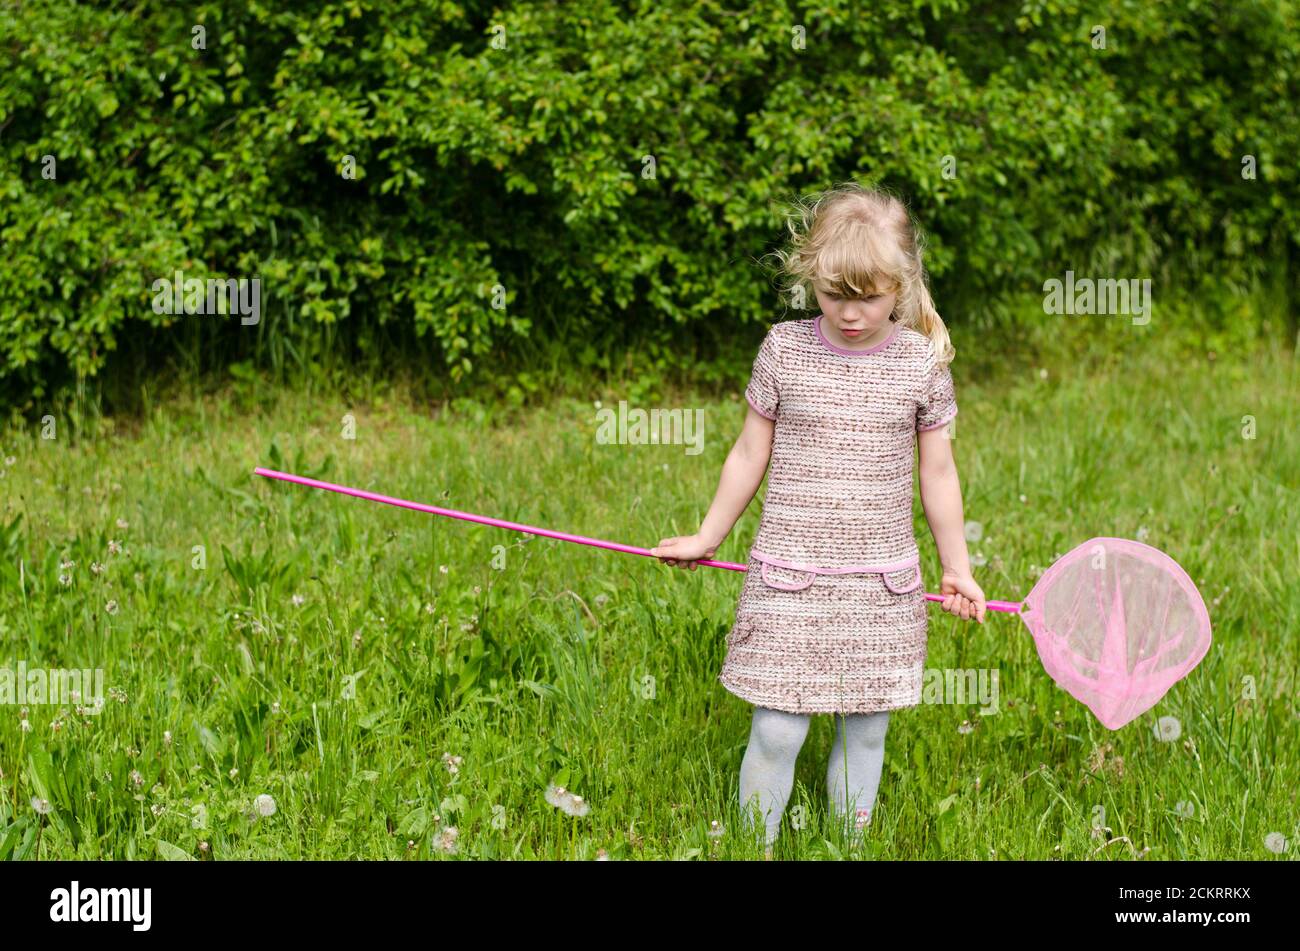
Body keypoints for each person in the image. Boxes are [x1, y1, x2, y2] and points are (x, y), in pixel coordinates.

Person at [651, 181, 986, 855]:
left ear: (901, 282)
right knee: (777, 729)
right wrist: (707, 535)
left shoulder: (919, 364)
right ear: (812, 279)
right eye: (835, 294)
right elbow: (750, 451)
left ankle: (847, 849)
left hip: (879, 585)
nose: (852, 312)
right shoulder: (784, 349)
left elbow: (939, 473)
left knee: (864, 731)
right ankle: (753, 848)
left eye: (869, 295)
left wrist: (957, 567)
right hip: (790, 578)